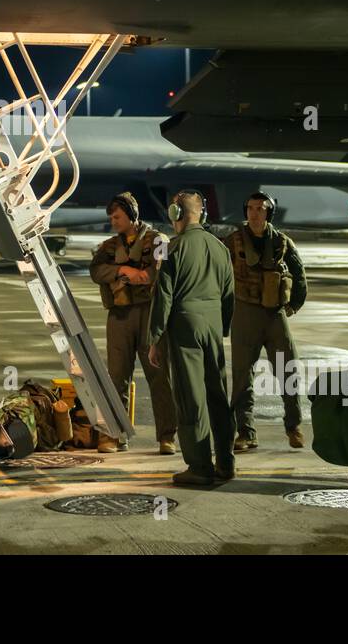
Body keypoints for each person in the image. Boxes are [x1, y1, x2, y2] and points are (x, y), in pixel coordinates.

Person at [147, 190, 237, 486]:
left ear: (175, 214)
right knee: (217, 395)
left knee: (190, 398)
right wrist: (221, 328)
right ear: (203, 214)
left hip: (185, 326)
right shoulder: (220, 247)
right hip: (212, 324)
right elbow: (229, 295)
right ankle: (226, 461)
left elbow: (163, 296)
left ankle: (200, 466)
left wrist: (155, 337)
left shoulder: (170, 248)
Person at [88, 192, 178, 455]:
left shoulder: (159, 240)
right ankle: (115, 435)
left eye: (117, 217)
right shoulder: (108, 247)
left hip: (150, 315)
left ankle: (167, 436)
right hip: (120, 316)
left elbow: (163, 271)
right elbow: (96, 271)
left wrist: (144, 275)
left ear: (132, 215)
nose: (113, 221)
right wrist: (122, 271)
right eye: (111, 218)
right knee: (117, 377)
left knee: (159, 376)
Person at [226, 191, 308, 452]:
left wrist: (292, 306)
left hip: (275, 314)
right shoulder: (233, 242)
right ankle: (246, 432)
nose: (254, 213)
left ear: (269, 212)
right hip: (245, 313)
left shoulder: (283, 243)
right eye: (250, 208)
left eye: (260, 208)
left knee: (288, 370)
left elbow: (299, 275)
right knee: (242, 376)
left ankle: (294, 426)